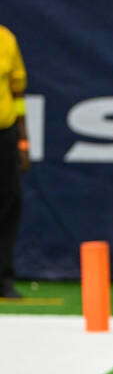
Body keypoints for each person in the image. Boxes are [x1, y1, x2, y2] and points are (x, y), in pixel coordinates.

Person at [0, 24, 29, 299]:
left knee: (8, 203)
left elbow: (17, 93)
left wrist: (23, 141)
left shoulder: (6, 38)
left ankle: (2, 279)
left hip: (3, 134)